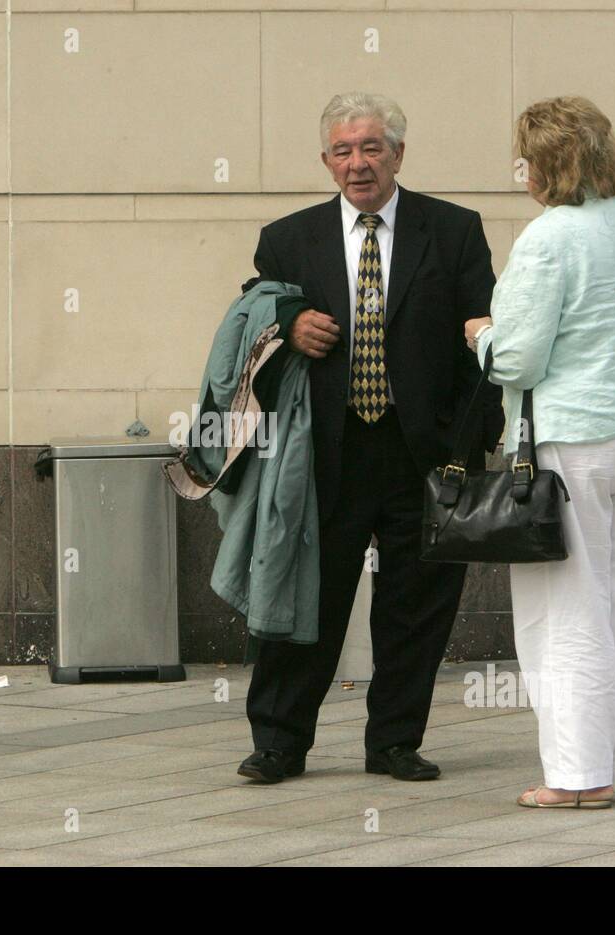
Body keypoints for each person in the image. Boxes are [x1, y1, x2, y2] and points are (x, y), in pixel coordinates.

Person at [239, 91, 504, 784]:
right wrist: (291, 323)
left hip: (425, 455)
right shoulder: (287, 239)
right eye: (343, 151)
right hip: (325, 454)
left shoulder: (452, 230)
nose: (358, 164)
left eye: (371, 148)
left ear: (398, 154)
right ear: (326, 161)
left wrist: (474, 446)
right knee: (307, 599)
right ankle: (279, 743)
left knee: (416, 608)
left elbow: (487, 337)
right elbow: (254, 313)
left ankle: (393, 742)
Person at [464, 95, 615, 809]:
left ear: (545, 165)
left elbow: (521, 359)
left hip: (578, 437)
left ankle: (578, 774)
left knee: (566, 606)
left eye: (526, 159)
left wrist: (481, 337)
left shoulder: (548, 238)